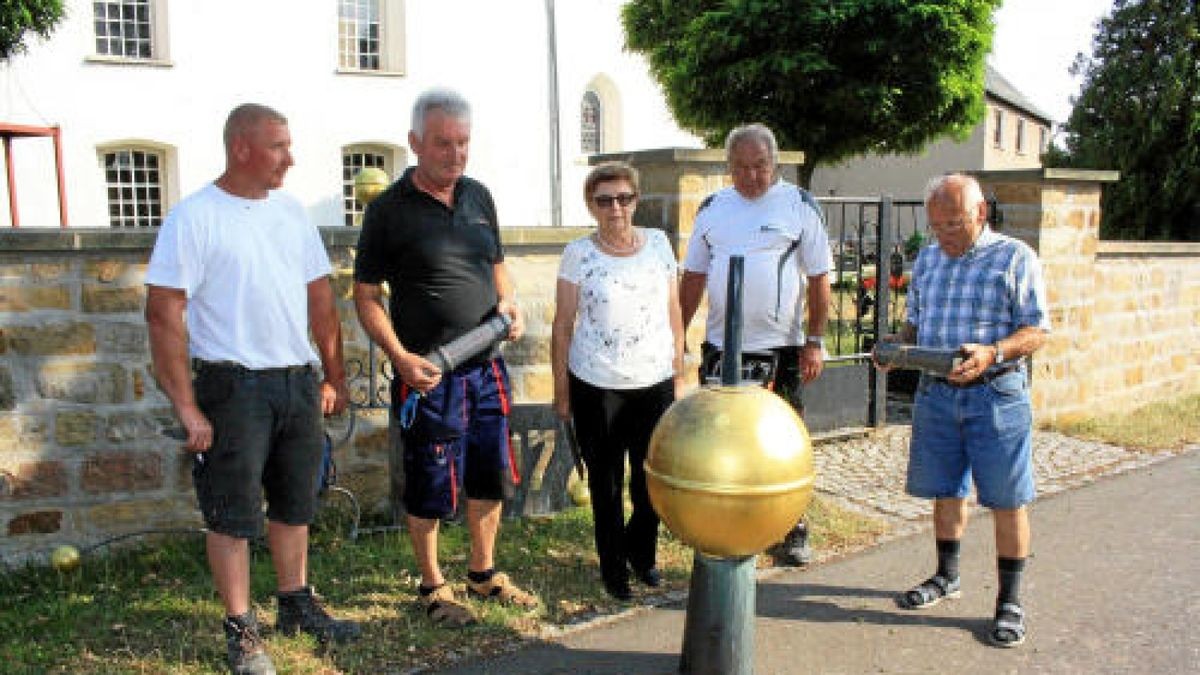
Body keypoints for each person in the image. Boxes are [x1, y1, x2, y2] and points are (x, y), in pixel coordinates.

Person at [145, 103, 360, 675]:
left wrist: (333, 375)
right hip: (232, 386)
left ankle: (296, 604)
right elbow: (164, 313)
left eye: (289, 145)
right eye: (278, 147)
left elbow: (321, 299)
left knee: (295, 503)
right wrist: (187, 407)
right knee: (232, 513)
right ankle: (241, 630)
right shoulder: (194, 218)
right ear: (241, 147)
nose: (289, 158)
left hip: (297, 381)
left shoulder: (292, 215)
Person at [352, 88, 537, 628]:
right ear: (414, 143)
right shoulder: (388, 211)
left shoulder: (479, 196)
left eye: (463, 144)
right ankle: (433, 587)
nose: (454, 155)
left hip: (487, 367)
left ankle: (483, 574)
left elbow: (497, 266)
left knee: (490, 473)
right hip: (429, 374)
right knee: (431, 482)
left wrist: (510, 303)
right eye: (442, 144)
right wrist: (401, 358)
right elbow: (366, 297)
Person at [874, 173, 1049, 648]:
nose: (945, 236)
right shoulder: (928, 259)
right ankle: (946, 576)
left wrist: (992, 351)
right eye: (937, 226)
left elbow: (1036, 332)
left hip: (996, 394)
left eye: (955, 224)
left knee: (1008, 499)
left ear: (980, 214)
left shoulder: (1014, 257)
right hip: (937, 396)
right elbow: (915, 324)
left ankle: (1009, 601)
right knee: (946, 491)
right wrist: (897, 348)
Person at [679, 123, 832, 567]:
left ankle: (792, 527)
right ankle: (726, 521)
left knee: (784, 438)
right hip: (722, 345)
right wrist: (677, 339)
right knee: (723, 435)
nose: (751, 176)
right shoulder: (712, 209)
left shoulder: (799, 206)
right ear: (728, 167)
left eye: (760, 166)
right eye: (741, 167)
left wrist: (814, 341)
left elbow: (820, 278)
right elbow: (693, 278)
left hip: (781, 347)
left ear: (775, 164)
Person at [550, 162, 685, 600]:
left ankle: (641, 555)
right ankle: (614, 571)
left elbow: (674, 312)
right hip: (596, 383)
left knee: (651, 485)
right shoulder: (578, 254)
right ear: (592, 205)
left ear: (636, 200)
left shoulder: (659, 245)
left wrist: (678, 371)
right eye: (605, 200)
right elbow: (563, 326)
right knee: (605, 485)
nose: (615, 208)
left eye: (624, 198)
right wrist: (562, 389)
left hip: (654, 383)